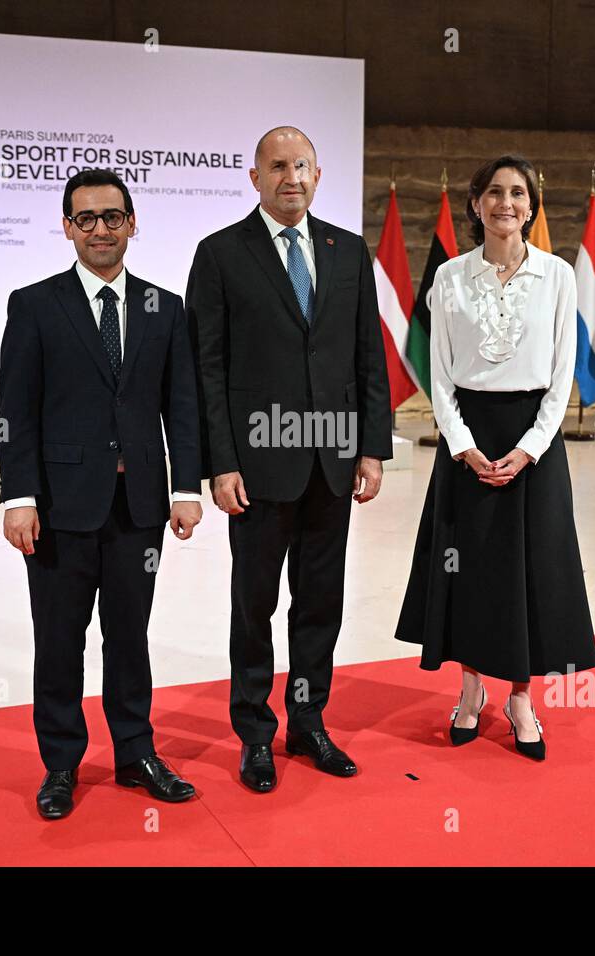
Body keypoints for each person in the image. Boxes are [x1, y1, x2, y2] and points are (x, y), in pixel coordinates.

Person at [186, 126, 393, 793]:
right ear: (255, 178)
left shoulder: (349, 251)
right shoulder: (220, 255)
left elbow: (369, 354)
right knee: (255, 605)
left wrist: (371, 447)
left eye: (301, 165)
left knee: (319, 604)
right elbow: (207, 370)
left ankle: (307, 719)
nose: (291, 177)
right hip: (258, 466)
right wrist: (220, 463)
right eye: (277, 167)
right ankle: (254, 733)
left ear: (317, 172)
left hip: (332, 462)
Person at [0, 168, 204, 820]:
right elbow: (16, 411)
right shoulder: (34, 305)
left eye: (112, 216)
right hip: (58, 510)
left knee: (129, 636)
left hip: (139, 508)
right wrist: (18, 496)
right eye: (85, 218)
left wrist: (186, 486)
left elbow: (183, 407)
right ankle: (60, 766)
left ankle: (135, 752)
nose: (100, 229)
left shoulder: (164, 309)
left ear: (132, 224)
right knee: (59, 641)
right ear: (67, 227)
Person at [394, 154, 595, 761]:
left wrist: (530, 447)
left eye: (517, 193)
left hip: (534, 440)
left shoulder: (559, 276)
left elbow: (562, 377)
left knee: (530, 572)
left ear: (531, 206)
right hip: (469, 440)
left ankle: (520, 699)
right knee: (468, 569)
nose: (505, 203)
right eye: (493, 193)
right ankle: (470, 690)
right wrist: (462, 445)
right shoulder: (449, 278)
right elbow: (441, 376)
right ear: (475, 204)